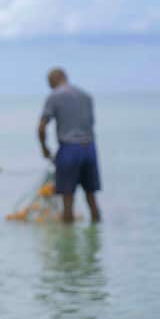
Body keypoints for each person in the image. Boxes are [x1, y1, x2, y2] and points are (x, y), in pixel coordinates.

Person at [38, 67, 101, 223]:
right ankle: (97, 229)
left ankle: (67, 235)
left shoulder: (54, 96)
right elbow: (91, 123)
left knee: (67, 201)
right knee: (92, 198)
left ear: (53, 80)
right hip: (89, 148)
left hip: (69, 149)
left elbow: (41, 127)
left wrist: (45, 149)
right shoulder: (86, 96)